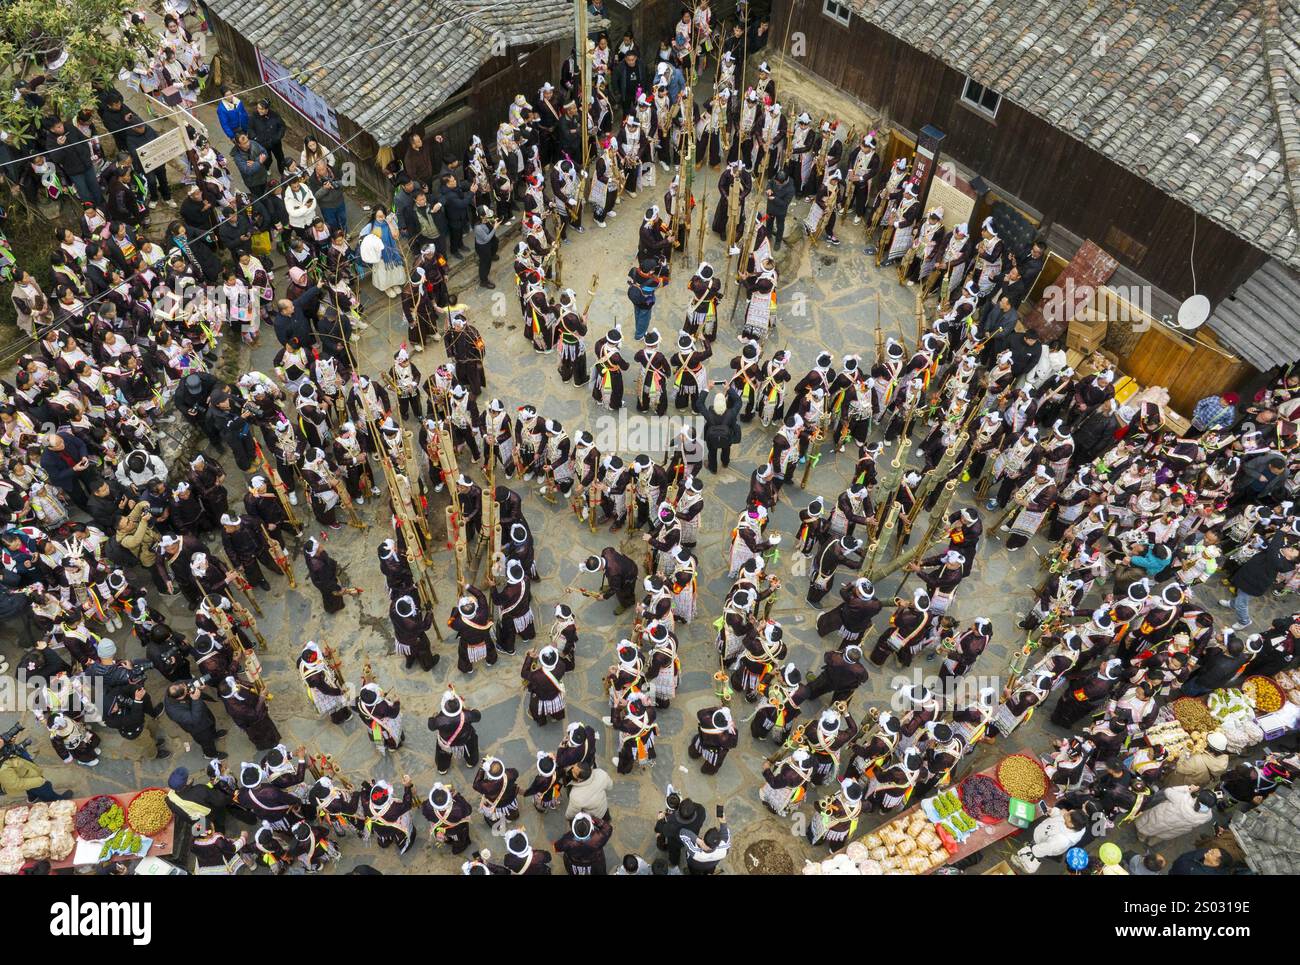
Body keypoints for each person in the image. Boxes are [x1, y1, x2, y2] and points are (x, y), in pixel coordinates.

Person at [165, 680, 228, 759]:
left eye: (185, 686)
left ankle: (214, 735)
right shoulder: (174, 712)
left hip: (204, 716)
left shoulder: (175, 688)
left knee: (211, 724)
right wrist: (196, 700)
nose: (187, 687)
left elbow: (187, 682)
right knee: (206, 742)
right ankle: (210, 754)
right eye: (186, 689)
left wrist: (197, 685)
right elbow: (195, 719)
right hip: (198, 728)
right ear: (181, 696)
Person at [0, 741, 72, 801]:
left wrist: (7, 743)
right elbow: (16, 784)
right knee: (45, 789)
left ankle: (33, 798)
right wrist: (39, 781)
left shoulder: (2, 753)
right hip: (29, 780)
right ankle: (57, 801)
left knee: (31, 790)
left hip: (25, 773)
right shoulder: (3, 769)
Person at [473, 205, 498, 289]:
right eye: (486, 215)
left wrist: (493, 221)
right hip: (483, 247)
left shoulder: (484, 220)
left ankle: (491, 256)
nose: (488, 216)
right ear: (481, 216)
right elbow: (486, 239)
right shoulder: (478, 228)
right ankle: (483, 281)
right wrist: (495, 228)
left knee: (488, 259)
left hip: (487, 245)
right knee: (485, 264)